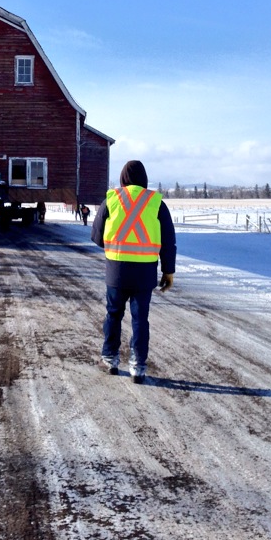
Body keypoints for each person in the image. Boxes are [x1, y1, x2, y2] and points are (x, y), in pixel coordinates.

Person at [91, 160, 176, 384]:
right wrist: (168, 271)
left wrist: (118, 245)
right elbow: (168, 241)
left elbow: (97, 236)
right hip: (144, 273)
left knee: (113, 314)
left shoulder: (111, 200)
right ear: (144, 179)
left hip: (116, 271)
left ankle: (110, 358)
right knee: (140, 319)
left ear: (122, 178)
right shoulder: (156, 203)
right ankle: (138, 366)